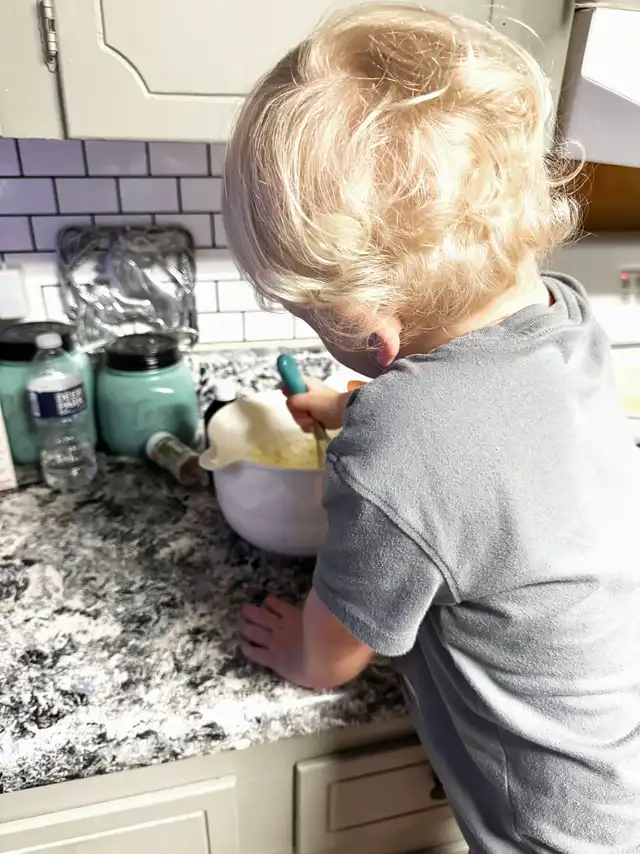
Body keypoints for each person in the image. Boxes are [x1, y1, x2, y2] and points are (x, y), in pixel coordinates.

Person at [223, 4, 640, 852]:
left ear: (369, 331)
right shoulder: (563, 315)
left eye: (310, 317)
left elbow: (334, 658)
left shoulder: (399, 448)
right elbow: (495, 425)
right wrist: (353, 408)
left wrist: (297, 651)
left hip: (553, 829)